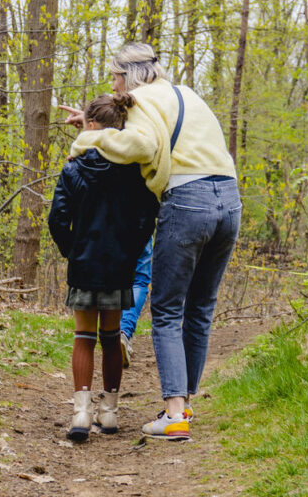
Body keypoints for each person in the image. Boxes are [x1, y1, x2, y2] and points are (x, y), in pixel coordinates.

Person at [60, 42, 240, 443]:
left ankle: (174, 415)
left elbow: (140, 146)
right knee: (200, 307)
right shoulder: (184, 94)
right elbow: (147, 137)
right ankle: (184, 406)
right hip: (229, 200)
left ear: (128, 76)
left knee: (167, 309)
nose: (113, 85)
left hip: (188, 199)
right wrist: (94, 124)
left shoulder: (141, 100)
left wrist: (88, 139)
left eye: (114, 77)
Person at [47, 93, 159, 442]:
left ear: (91, 126)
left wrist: (73, 251)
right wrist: (130, 251)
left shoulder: (73, 168)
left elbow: (56, 219)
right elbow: (147, 216)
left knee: (84, 337)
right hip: (118, 267)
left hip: (85, 265)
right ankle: (108, 413)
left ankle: (81, 414)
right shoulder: (132, 171)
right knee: (111, 339)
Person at [119, 242, 153, 367]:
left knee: (115, 276)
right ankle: (124, 331)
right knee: (139, 281)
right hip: (141, 232)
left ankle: (113, 333)